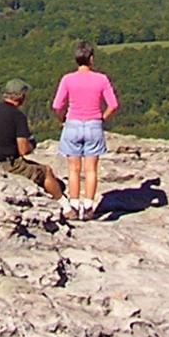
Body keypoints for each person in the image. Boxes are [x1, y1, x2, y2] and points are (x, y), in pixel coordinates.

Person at [51, 40, 119, 221]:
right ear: (91, 59)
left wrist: (62, 119)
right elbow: (113, 105)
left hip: (72, 123)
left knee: (73, 169)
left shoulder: (67, 79)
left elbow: (57, 105)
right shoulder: (101, 79)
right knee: (91, 170)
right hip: (93, 124)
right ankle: (88, 207)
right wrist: (102, 118)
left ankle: (73, 206)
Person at [0, 78, 65, 207]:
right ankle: (63, 205)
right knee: (46, 171)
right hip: (8, 164)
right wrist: (32, 144)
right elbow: (23, 150)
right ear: (20, 97)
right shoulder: (17, 116)